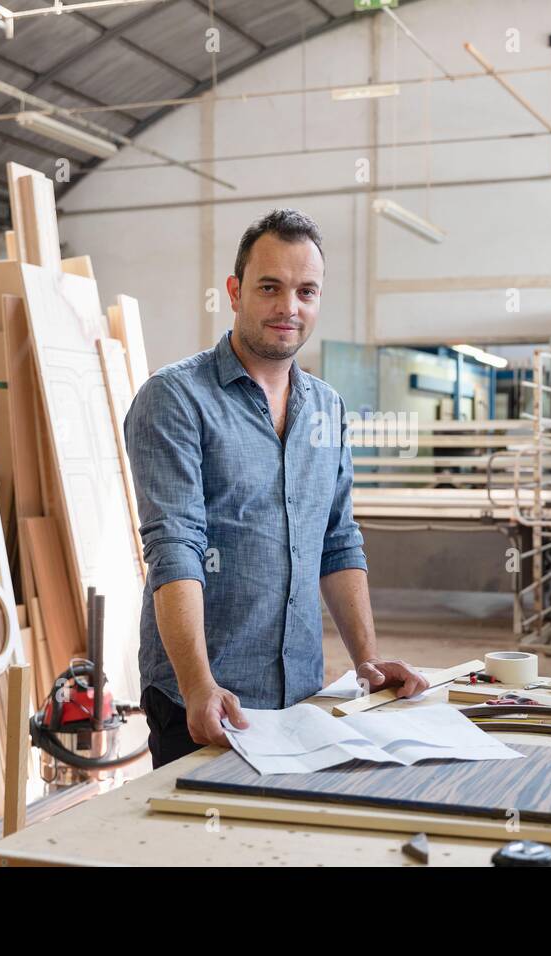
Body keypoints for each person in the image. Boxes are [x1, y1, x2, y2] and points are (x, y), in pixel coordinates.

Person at [125, 208, 429, 766]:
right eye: (271, 287)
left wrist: (366, 660)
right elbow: (176, 549)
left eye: (305, 291)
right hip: (209, 702)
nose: (289, 307)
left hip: (301, 698)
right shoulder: (175, 399)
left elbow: (337, 541)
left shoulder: (328, 408)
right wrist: (198, 686)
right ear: (235, 293)